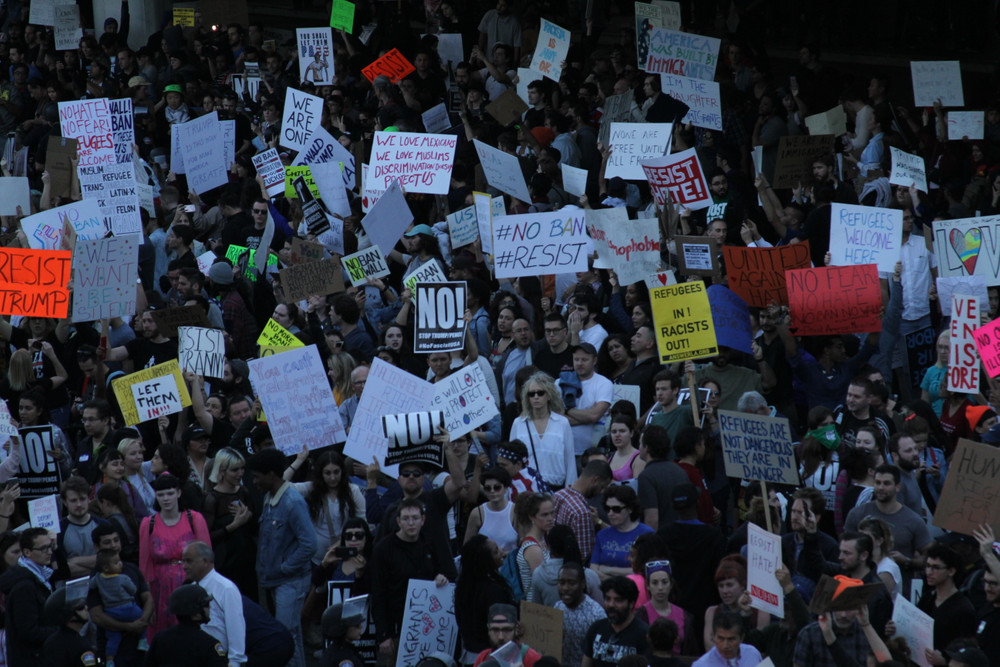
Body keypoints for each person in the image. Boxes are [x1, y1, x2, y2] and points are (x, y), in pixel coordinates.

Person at [246, 448, 316, 667]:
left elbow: (310, 544)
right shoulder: (270, 497)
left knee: (286, 636)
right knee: (289, 635)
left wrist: (286, 568)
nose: (254, 482)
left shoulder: (292, 503)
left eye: (257, 477)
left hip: (290, 582)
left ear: (270, 475)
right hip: (277, 581)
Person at [371, 498, 454, 664]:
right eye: (406, 518)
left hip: (428, 626)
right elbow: (378, 593)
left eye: (415, 518)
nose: (411, 523)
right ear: (398, 521)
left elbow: (444, 570)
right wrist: (384, 635)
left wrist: (439, 576)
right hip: (396, 626)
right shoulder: (383, 549)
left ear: (422, 520)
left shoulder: (430, 543)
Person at [138, 473, 212, 644]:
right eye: (161, 494)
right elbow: (145, 564)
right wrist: (148, 602)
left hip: (191, 584)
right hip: (160, 589)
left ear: (178, 493)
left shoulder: (194, 518)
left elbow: (206, 558)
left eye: (170, 493)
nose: (166, 498)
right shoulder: (148, 523)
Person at [844, 464, 932, 594]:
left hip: (899, 594)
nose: (880, 488)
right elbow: (845, 548)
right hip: (859, 590)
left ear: (898, 487)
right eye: (877, 483)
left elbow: (929, 557)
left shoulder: (913, 521)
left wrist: (907, 561)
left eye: (886, 483)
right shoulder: (857, 514)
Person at [285, 448, 365, 565]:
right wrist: (299, 460)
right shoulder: (311, 489)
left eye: (336, 472)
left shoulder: (353, 491)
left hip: (345, 558)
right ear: (320, 473)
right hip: (316, 560)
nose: (332, 478)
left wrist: (343, 541)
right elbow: (281, 486)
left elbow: (363, 521)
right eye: (327, 473)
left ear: (342, 471)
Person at [181, 541, 247, 667]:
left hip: (220, 658)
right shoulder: (191, 589)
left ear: (205, 561)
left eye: (189, 561)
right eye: (183, 561)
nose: (184, 566)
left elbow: (236, 625)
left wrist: (235, 661)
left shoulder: (225, 588)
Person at [202, 447, 256, 598]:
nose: (240, 474)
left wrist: (248, 516)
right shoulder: (212, 499)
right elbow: (207, 537)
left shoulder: (243, 491)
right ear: (222, 471)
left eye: (242, 469)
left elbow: (254, 526)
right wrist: (233, 526)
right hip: (225, 562)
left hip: (246, 559)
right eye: (234, 470)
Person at [0, 528, 58, 666]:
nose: (49, 552)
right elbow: (29, 631)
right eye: (44, 548)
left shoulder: (38, 577)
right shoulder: (24, 586)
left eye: (50, 547)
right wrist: (60, 630)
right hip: (31, 659)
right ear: (27, 552)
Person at [509, 372, 577, 489]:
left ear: (549, 395)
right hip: (526, 490)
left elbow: (570, 461)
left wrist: (569, 492)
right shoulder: (518, 423)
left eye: (540, 393)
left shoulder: (562, 423)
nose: (536, 397)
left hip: (556, 489)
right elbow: (511, 461)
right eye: (531, 394)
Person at [455, 535, 513, 662]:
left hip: (469, 654)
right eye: (496, 551)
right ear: (485, 560)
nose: (502, 552)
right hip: (490, 657)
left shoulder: (464, 587)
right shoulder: (493, 591)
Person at [145, 584, 227, 666]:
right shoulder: (209, 644)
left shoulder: (160, 639)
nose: (209, 608)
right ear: (196, 614)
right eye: (206, 605)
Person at [552, 459, 612, 564]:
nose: (601, 492)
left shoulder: (558, 495)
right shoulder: (581, 512)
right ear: (595, 480)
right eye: (602, 487)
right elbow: (583, 556)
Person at [89, 549, 143, 665]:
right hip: (128, 609)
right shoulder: (123, 578)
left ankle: (109, 660)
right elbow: (133, 590)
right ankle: (143, 640)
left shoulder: (98, 578)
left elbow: (91, 585)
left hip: (111, 612)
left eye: (119, 561)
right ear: (106, 568)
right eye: (116, 562)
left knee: (113, 639)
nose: (120, 564)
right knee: (142, 617)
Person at [590, 485, 653, 582]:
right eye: (607, 508)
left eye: (616, 509)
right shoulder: (602, 535)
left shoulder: (646, 534)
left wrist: (609, 570)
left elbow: (646, 569)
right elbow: (593, 568)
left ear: (630, 509)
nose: (610, 513)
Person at [581, 576, 648, 667]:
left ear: (631, 603)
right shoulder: (596, 628)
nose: (611, 605)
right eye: (608, 599)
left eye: (618, 600)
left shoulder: (644, 634)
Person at [561, 343, 613, 456]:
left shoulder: (604, 384)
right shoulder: (560, 382)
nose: (579, 363)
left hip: (594, 452)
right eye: (576, 359)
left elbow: (594, 416)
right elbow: (555, 418)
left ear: (594, 361)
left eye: (584, 360)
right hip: (564, 450)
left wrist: (567, 410)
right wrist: (588, 416)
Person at [637, 425, 692, 530]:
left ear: (647, 448)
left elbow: (651, 520)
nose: (639, 447)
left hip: (661, 540)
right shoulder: (680, 471)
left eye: (640, 444)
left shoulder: (646, 476)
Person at [555, 561, 607, 667]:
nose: (565, 588)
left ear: (582, 584)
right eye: (562, 583)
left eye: (571, 583)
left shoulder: (596, 615)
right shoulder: (557, 607)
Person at [635, 561, 690, 655]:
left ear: (671, 584)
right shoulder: (641, 614)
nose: (660, 587)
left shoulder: (683, 615)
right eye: (655, 583)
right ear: (648, 586)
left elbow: (689, 650)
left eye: (664, 582)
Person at [464, 467, 518, 553]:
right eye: (488, 488)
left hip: (510, 563)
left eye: (497, 487)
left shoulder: (516, 511)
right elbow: (467, 548)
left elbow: (524, 546)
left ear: (505, 488)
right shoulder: (477, 513)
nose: (492, 491)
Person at [40, 586, 96, 667]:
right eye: (81, 607)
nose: (86, 608)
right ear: (68, 615)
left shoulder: (51, 641)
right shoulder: (81, 646)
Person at [472, 603, 541, 667]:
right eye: (495, 630)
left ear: (516, 629)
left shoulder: (532, 659)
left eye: (507, 630)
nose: (501, 637)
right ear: (488, 630)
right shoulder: (482, 658)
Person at [513, 492, 555, 597]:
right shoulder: (533, 549)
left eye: (552, 513)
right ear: (532, 517)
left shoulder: (540, 542)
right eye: (544, 515)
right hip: (537, 608)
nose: (550, 518)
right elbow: (543, 585)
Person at [694, 611, 762, 667]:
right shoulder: (701, 665)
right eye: (720, 638)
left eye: (731, 639)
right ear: (713, 636)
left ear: (741, 638)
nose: (725, 645)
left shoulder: (752, 653)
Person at [319, 603, 365, 667]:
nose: (361, 626)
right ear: (341, 628)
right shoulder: (344, 658)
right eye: (356, 625)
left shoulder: (333, 651)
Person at [607, 413, 644, 481]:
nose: (617, 435)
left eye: (622, 431)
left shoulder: (639, 458)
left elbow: (637, 487)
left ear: (631, 433)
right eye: (614, 432)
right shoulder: (609, 457)